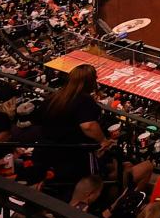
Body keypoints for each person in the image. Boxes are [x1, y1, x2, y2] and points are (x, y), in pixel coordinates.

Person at [38, 64, 112, 198]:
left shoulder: (54, 98)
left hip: (48, 151)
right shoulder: (84, 100)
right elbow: (88, 126)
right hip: (73, 155)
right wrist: (103, 141)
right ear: (90, 82)